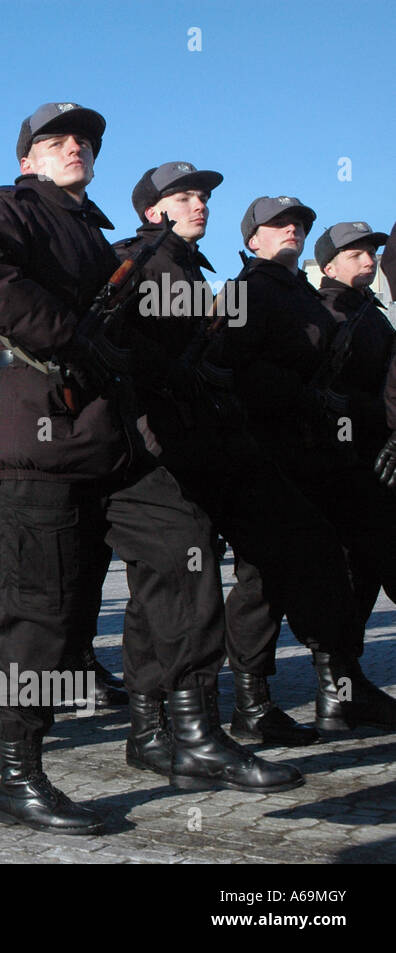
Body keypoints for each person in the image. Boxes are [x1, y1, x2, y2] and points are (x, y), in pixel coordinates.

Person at [0, 105, 301, 835]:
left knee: (182, 549)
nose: (74, 146)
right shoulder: (11, 212)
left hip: (110, 438)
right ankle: (20, 775)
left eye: (84, 140)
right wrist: (68, 334)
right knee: (39, 610)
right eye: (55, 140)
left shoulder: (94, 234)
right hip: (39, 436)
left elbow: (135, 332)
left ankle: (188, 731)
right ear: (28, 159)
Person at [219, 201, 396, 732]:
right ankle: (252, 702)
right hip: (271, 451)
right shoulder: (250, 292)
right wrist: (313, 402)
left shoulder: (319, 303)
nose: (291, 228)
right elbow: (235, 369)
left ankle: (339, 687)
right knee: (263, 576)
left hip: (325, 454)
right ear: (252, 240)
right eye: (277, 224)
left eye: (298, 223)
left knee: (343, 569)